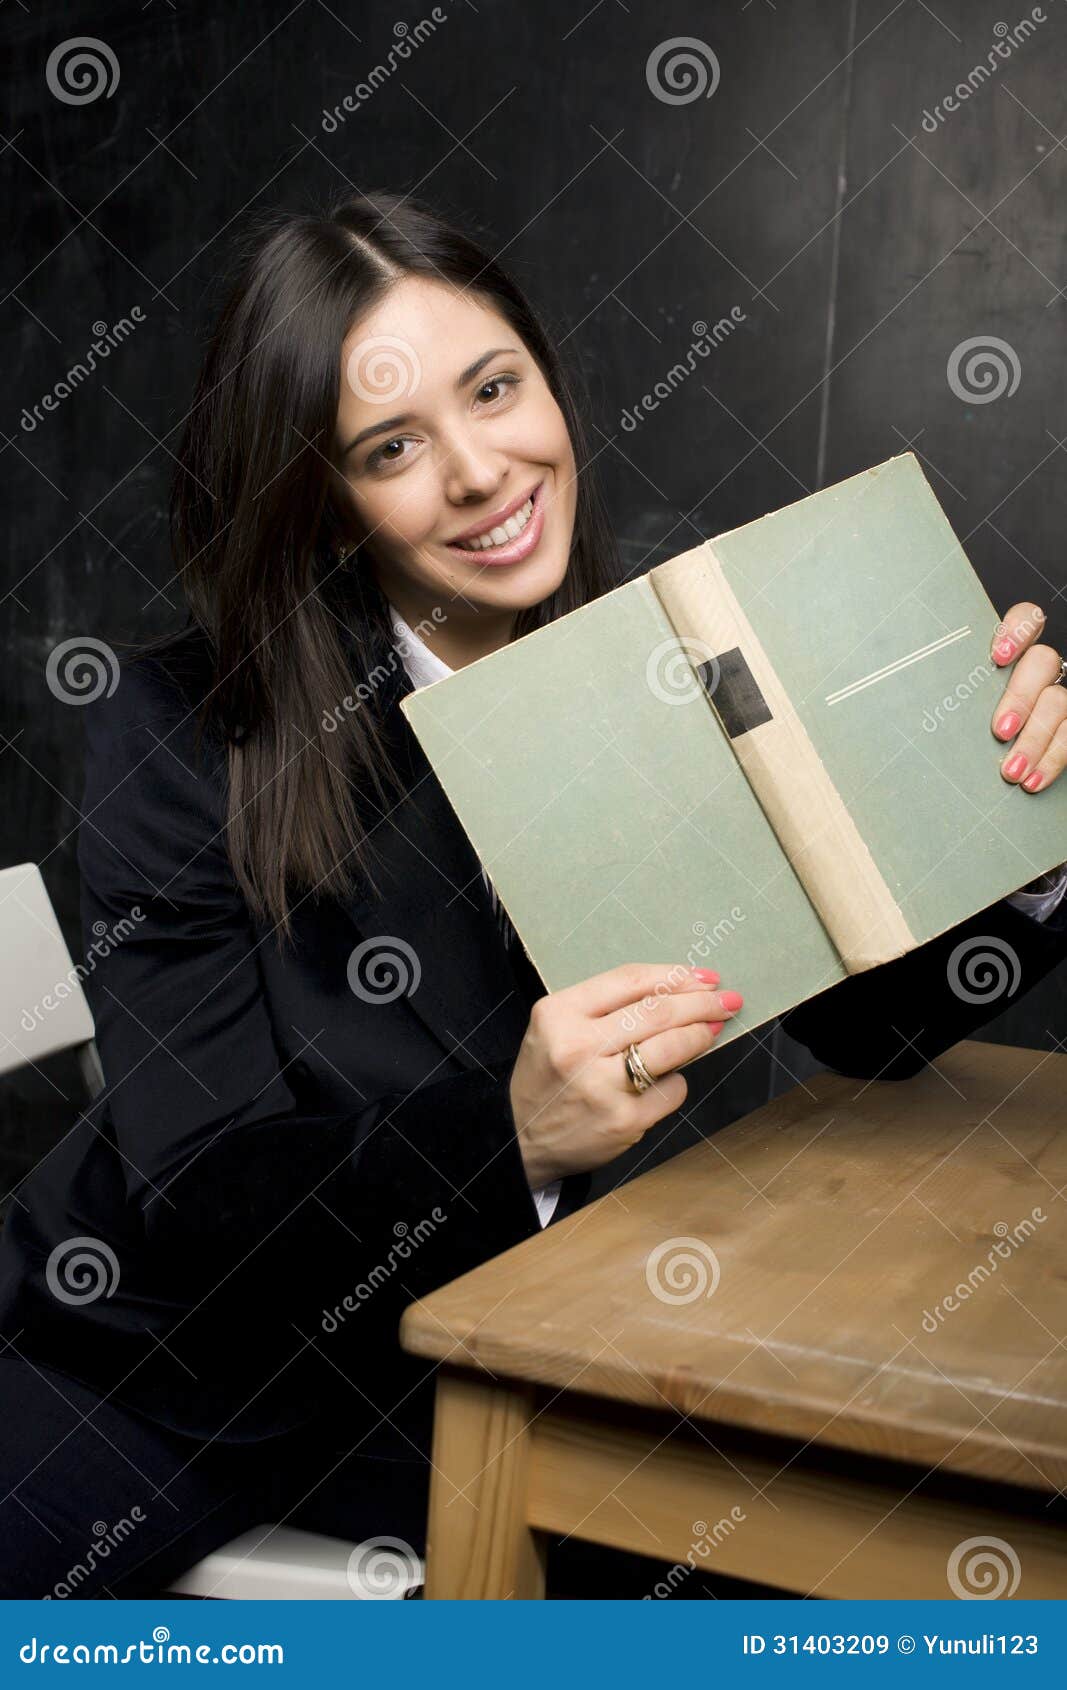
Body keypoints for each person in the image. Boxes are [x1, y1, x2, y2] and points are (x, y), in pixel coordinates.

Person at [1, 189, 1066, 1601]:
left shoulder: (659, 666)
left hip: (478, 1352)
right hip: (152, 1372)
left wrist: (1022, 819)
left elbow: (869, 1019)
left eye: (495, 389)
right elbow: (206, 1185)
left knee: (863, 1568)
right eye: (393, 447)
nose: (482, 471)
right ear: (326, 501)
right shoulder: (187, 730)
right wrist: (513, 1131)